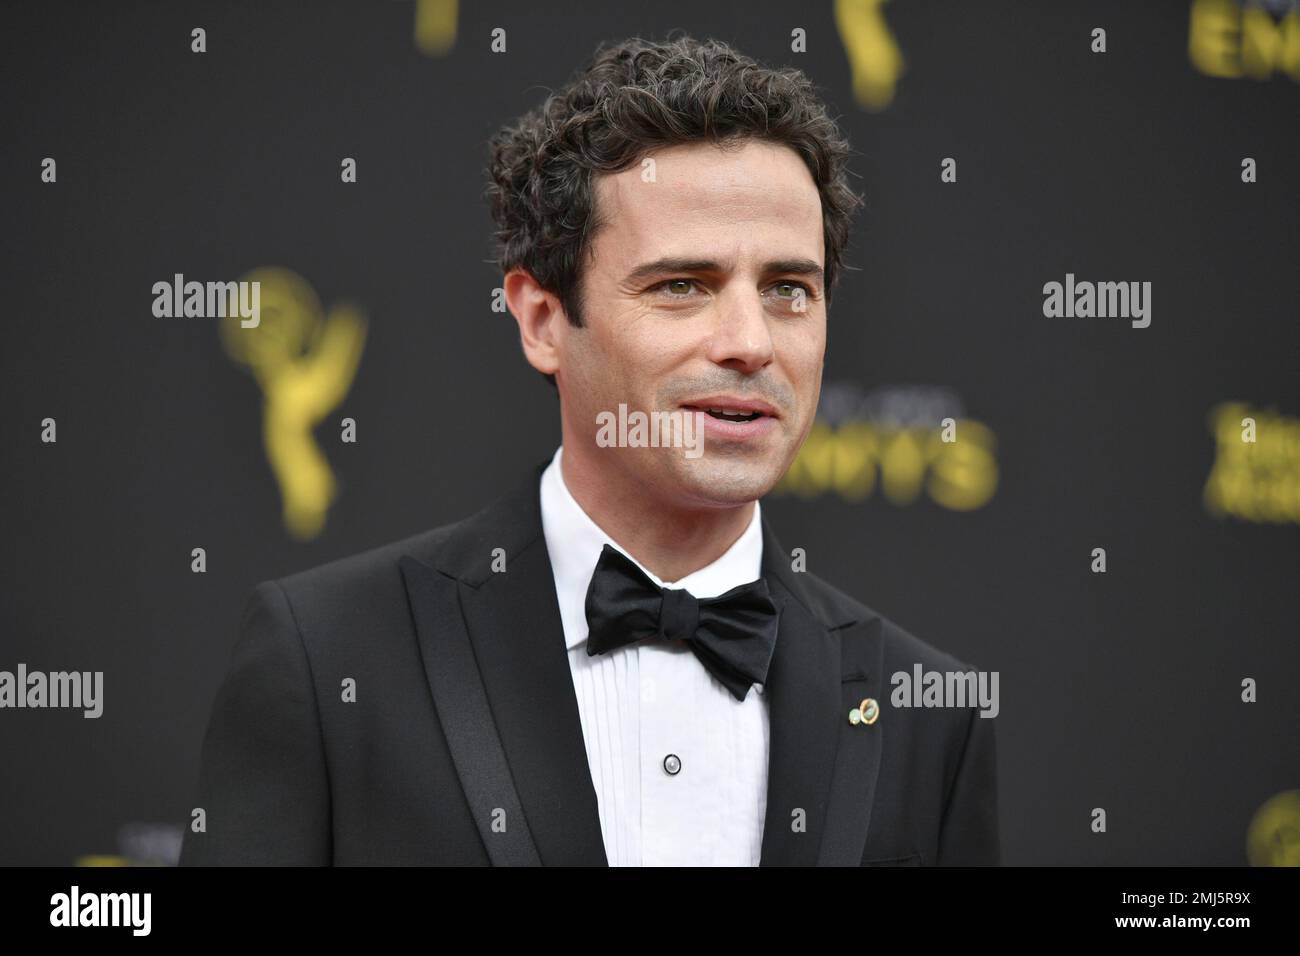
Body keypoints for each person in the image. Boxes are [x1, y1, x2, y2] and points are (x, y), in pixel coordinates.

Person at [181, 34, 999, 867]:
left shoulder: (926, 714)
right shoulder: (327, 658)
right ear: (541, 321)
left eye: (790, 289)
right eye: (682, 286)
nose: (751, 342)